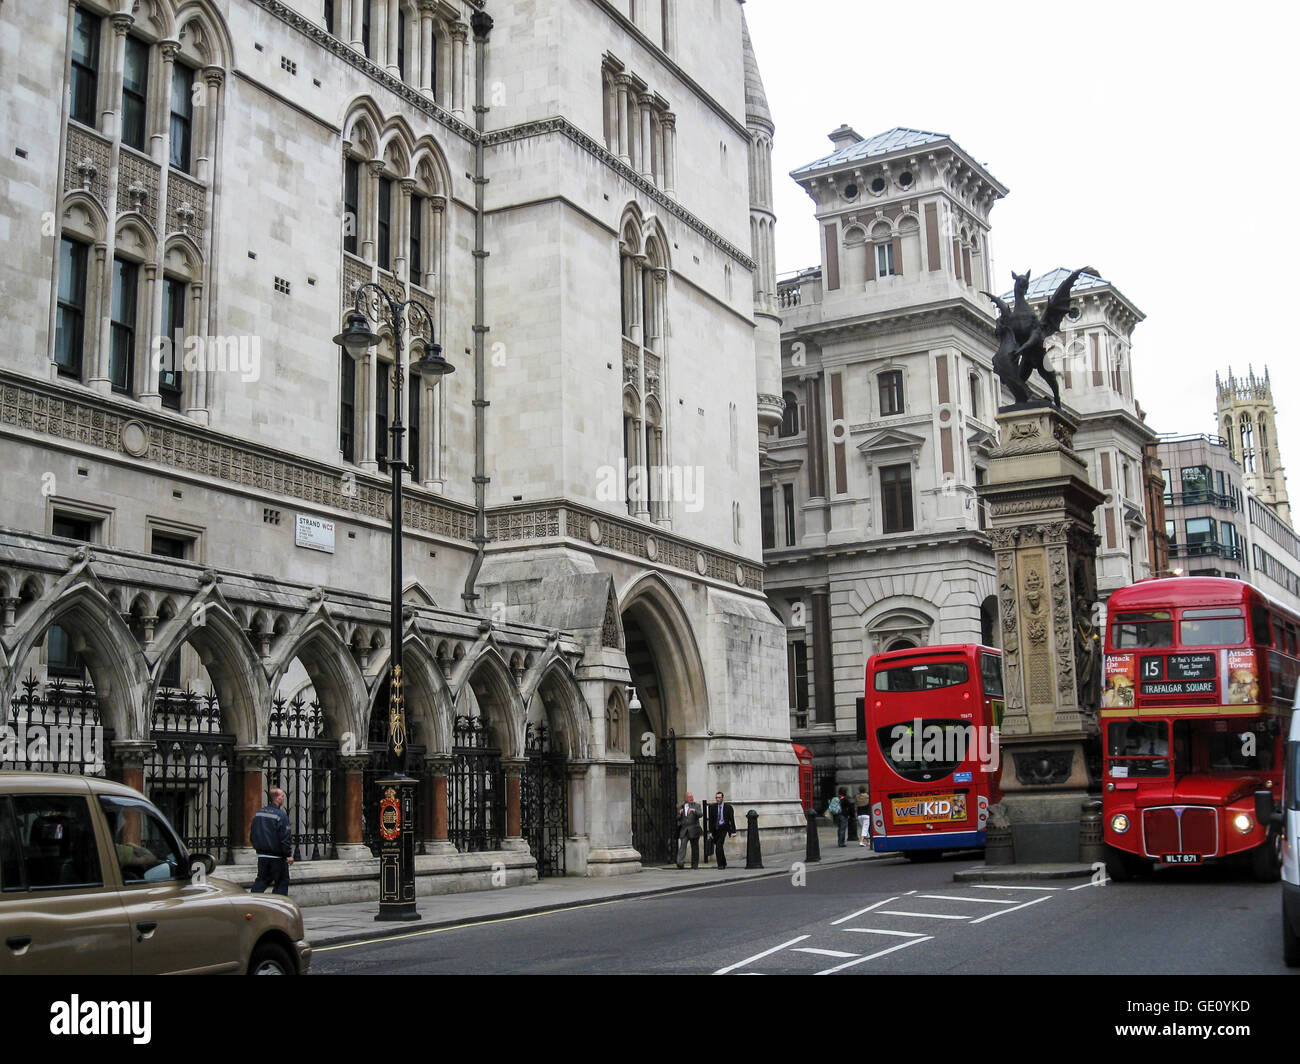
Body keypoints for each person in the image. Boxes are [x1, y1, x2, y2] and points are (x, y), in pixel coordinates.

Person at [250, 787, 293, 895]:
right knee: (281, 882)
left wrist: (258, 847)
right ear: (277, 798)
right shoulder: (281, 815)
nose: (283, 798)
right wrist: (288, 854)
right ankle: (279, 906)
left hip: (262, 856)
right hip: (277, 857)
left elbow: (252, 833)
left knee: (261, 881)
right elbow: (285, 837)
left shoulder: (259, 813)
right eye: (282, 796)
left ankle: (252, 902)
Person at [704, 790, 737, 869]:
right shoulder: (712, 807)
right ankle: (724, 862)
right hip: (716, 829)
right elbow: (711, 821)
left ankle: (720, 865)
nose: (717, 799)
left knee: (719, 845)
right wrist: (710, 832)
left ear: (722, 798)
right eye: (716, 798)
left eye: (719, 797)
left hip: (724, 828)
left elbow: (731, 820)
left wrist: (733, 831)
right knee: (719, 846)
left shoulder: (728, 807)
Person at [675, 791, 703, 869]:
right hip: (684, 830)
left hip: (694, 830)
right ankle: (680, 863)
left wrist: (694, 811)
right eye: (689, 797)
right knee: (682, 846)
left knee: (695, 848)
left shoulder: (697, 805)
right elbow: (677, 818)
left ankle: (694, 865)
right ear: (685, 798)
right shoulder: (681, 807)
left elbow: (700, 814)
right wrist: (679, 814)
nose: (691, 798)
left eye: (692, 797)